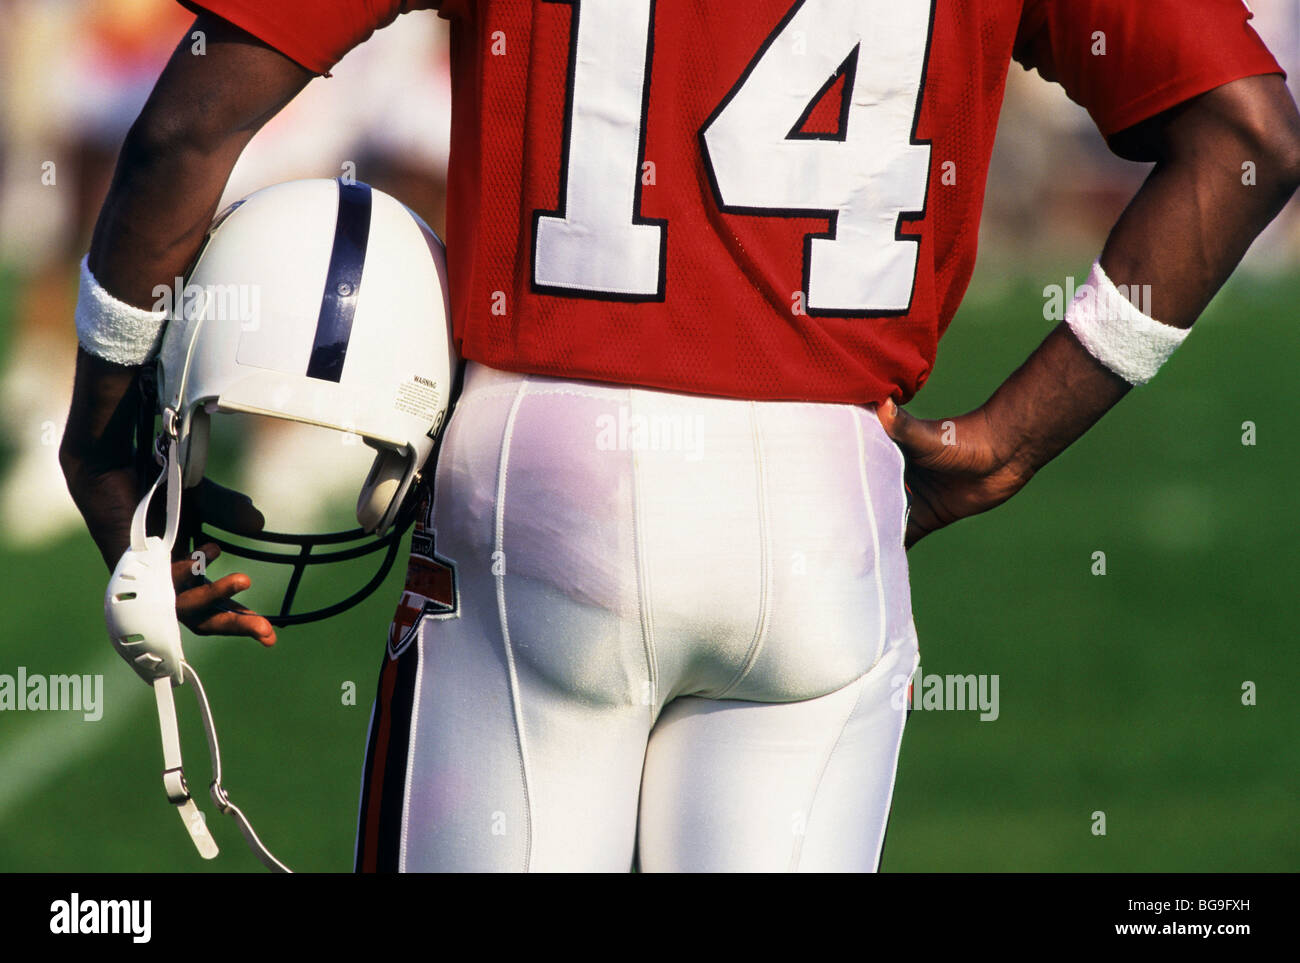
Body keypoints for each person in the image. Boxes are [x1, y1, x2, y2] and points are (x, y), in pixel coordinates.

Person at [60, 0, 1300, 871]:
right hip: (828, 515)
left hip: (544, 481)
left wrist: (106, 421)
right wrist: (1012, 434)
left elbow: (186, 128)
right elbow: (1246, 139)